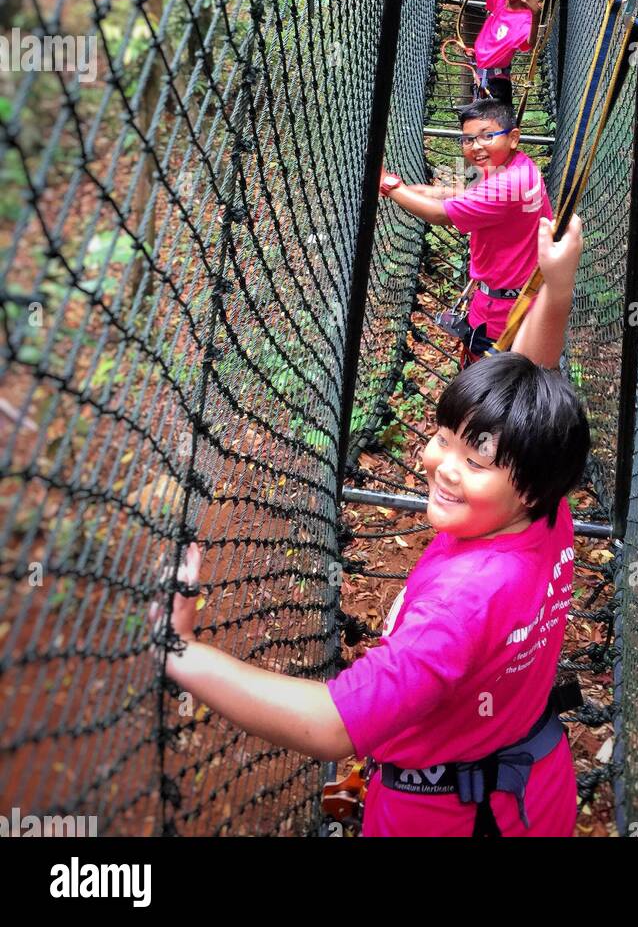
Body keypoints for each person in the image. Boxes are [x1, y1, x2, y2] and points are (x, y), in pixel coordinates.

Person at [156, 215, 588, 838]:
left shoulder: (461, 607)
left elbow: (333, 725)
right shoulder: (545, 511)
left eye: (474, 461)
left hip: (448, 819)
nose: (440, 466)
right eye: (443, 441)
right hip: (532, 790)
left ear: (528, 483)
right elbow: (526, 401)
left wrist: (181, 654)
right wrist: (558, 289)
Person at [379, 98, 553, 360]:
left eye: (487, 136)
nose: (476, 146)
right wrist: (420, 190)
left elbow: (439, 214)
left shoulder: (505, 186)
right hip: (525, 297)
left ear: (513, 137)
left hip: (502, 312)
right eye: (468, 139)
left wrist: (387, 184)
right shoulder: (520, 166)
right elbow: (469, 196)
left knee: (486, 385)